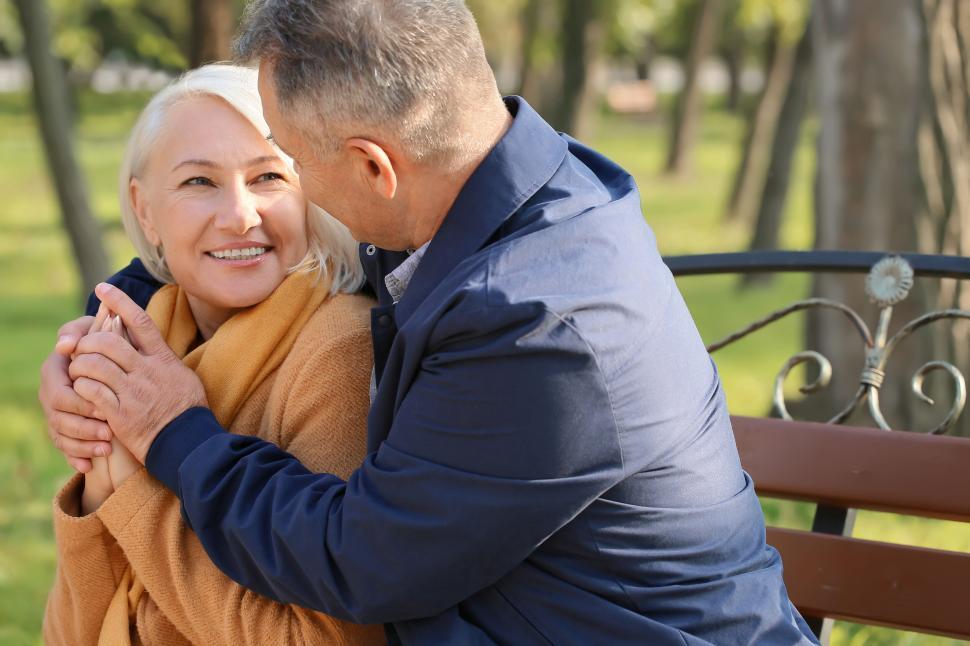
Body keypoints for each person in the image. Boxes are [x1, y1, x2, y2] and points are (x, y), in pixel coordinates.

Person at [41, 2, 819, 644]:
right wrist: (106, 331)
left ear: (375, 168)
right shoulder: (509, 194)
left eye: (289, 164)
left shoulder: (540, 331)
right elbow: (226, 250)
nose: (272, 201)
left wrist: (173, 429)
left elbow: (358, 563)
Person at [42, 64, 384, 646]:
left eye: (269, 177)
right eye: (199, 182)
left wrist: (131, 492)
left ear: (312, 194)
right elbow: (74, 632)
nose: (240, 215)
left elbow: (326, 640)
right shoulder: (134, 346)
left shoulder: (338, 352)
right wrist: (97, 490)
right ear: (144, 210)